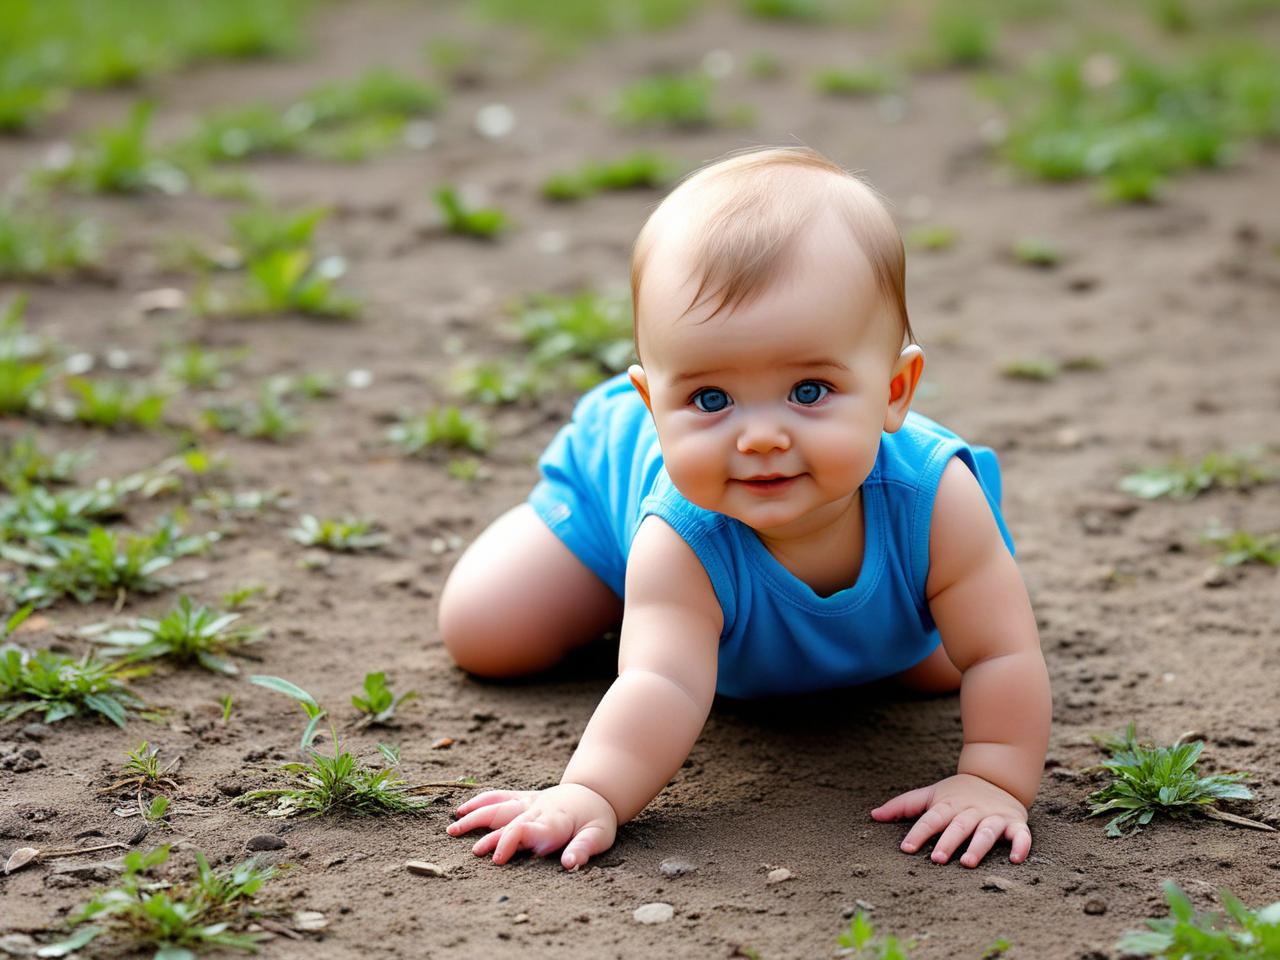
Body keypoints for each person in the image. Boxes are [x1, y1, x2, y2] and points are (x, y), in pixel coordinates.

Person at [439, 145, 1051, 872]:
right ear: (652, 406)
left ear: (894, 392)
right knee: (486, 632)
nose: (760, 437)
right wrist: (590, 794)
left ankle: (763, 626)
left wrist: (992, 780)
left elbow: (1004, 653)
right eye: (709, 399)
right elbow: (660, 683)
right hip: (616, 516)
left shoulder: (936, 500)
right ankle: (626, 592)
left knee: (949, 661)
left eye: (810, 390)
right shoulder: (681, 532)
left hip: (878, 582)